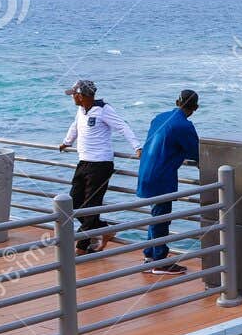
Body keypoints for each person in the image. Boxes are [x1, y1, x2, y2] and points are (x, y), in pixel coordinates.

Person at [59, 79, 141, 254]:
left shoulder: (104, 109)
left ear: (81, 95)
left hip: (100, 165)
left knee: (91, 206)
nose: (72, 97)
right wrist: (66, 142)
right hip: (83, 162)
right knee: (73, 203)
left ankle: (81, 247)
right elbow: (75, 127)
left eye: (73, 94)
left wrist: (137, 147)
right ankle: (104, 229)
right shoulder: (81, 110)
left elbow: (123, 127)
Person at [137, 89, 201, 272]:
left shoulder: (159, 117)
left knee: (157, 215)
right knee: (162, 218)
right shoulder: (184, 126)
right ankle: (160, 260)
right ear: (195, 107)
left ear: (176, 102)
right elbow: (196, 153)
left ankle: (150, 254)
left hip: (146, 171)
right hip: (162, 176)